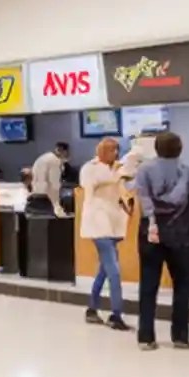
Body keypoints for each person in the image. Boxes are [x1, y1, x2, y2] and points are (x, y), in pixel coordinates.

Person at [133, 131, 189, 351]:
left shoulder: (144, 170)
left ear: (156, 148)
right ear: (180, 149)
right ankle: (180, 336)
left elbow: (143, 200)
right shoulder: (187, 172)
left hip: (151, 234)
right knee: (182, 285)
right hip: (181, 235)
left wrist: (153, 221)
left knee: (148, 285)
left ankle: (146, 337)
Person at [80, 138, 131, 331]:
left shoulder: (119, 168)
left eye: (116, 150)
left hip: (114, 224)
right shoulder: (89, 168)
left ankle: (92, 309)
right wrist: (118, 174)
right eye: (110, 150)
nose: (114, 154)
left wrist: (125, 170)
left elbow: (128, 182)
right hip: (98, 225)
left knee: (104, 269)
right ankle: (116, 315)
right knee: (114, 271)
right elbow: (90, 185)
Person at [28, 142, 69, 216]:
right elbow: (54, 183)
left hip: (36, 195)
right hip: (47, 198)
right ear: (63, 151)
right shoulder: (55, 161)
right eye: (66, 153)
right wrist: (58, 207)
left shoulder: (43, 158)